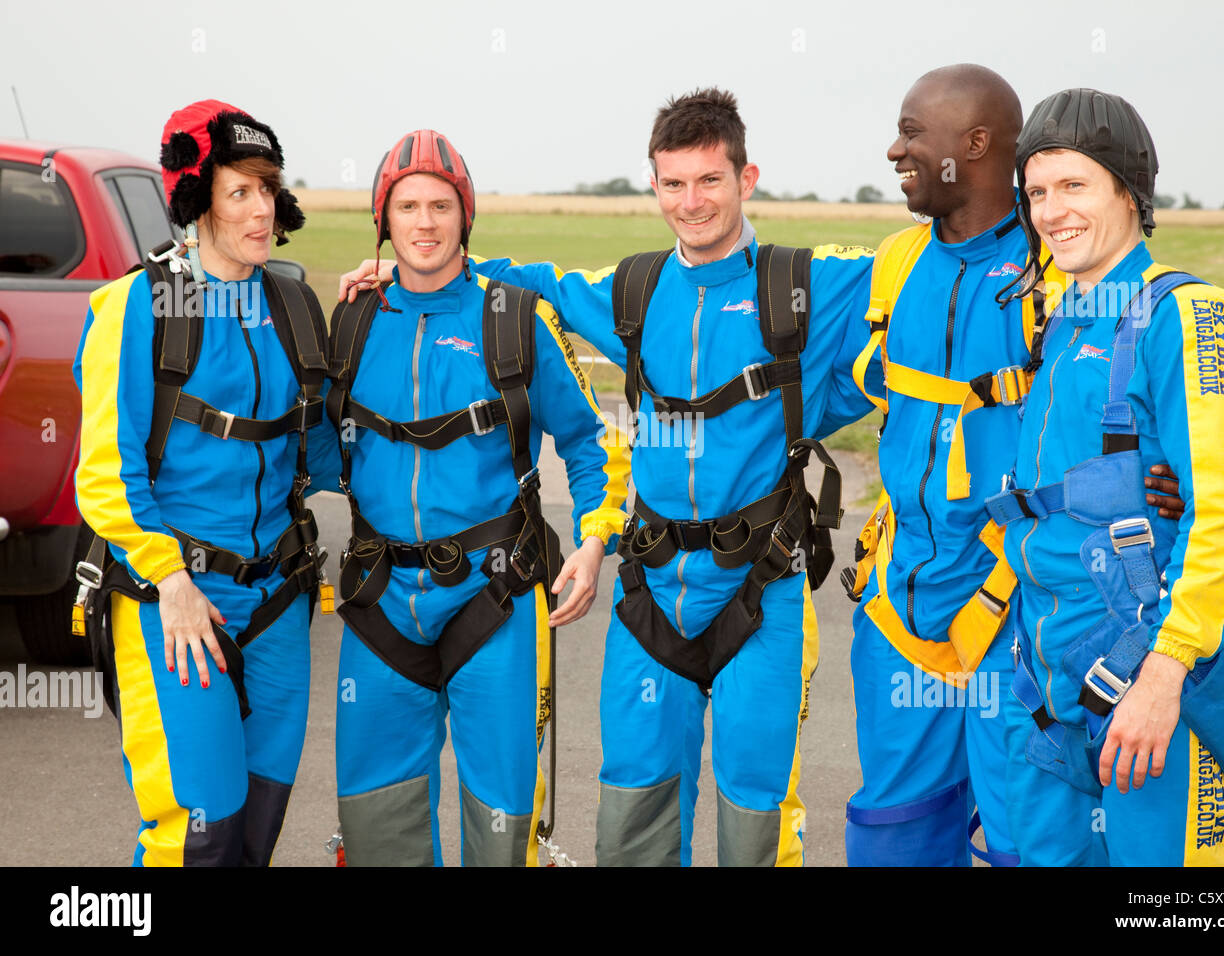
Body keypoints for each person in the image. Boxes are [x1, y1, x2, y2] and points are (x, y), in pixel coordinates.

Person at [342, 88, 873, 866]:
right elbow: (534, 284)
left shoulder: (806, 284)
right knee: (631, 812)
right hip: (650, 590)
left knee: (754, 814)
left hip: (763, 591)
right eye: (672, 183)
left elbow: (926, 269)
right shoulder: (634, 291)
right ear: (652, 185)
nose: (691, 203)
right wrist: (421, 255)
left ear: (746, 178)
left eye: (710, 181)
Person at [841, 65, 1187, 867]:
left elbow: (1139, 388)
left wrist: (1156, 480)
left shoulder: (1068, 272)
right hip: (902, 610)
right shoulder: (893, 263)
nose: (894, 148)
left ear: (974, 144)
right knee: (896, 833)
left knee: (1032, 844)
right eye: (1048, 187)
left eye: (911, 132)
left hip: (1022, 617)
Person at [329, 129, 630, 866]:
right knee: (376, 829)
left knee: (502, 827)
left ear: (466, 216)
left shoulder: (516, 320)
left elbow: (593, 443)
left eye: (441, 205)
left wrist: (594, 546)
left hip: (493, 600)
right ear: (384, 220)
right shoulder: (353, 321)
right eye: (407, 207)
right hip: (378, 601)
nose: (425, 223)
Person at [984, 88, 1224, 865]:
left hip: (1152, 687)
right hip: (1045, 688)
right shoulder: (1058, 317)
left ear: (1129, 191)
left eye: (1074, 185)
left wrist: (1163, 677)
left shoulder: (1185, 316)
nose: (1050, 211)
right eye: (1036, 192)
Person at [73, 100, 340, 865]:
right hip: (177, 603)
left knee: (256, 833)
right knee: (200, 832)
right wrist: (170, 581)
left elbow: (323, 454)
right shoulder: (141, 306)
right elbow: (106, 476)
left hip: (280, 602)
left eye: (269, 189)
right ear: (197, 199)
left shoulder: (290, 301)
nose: (262, 210)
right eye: (240, 192)